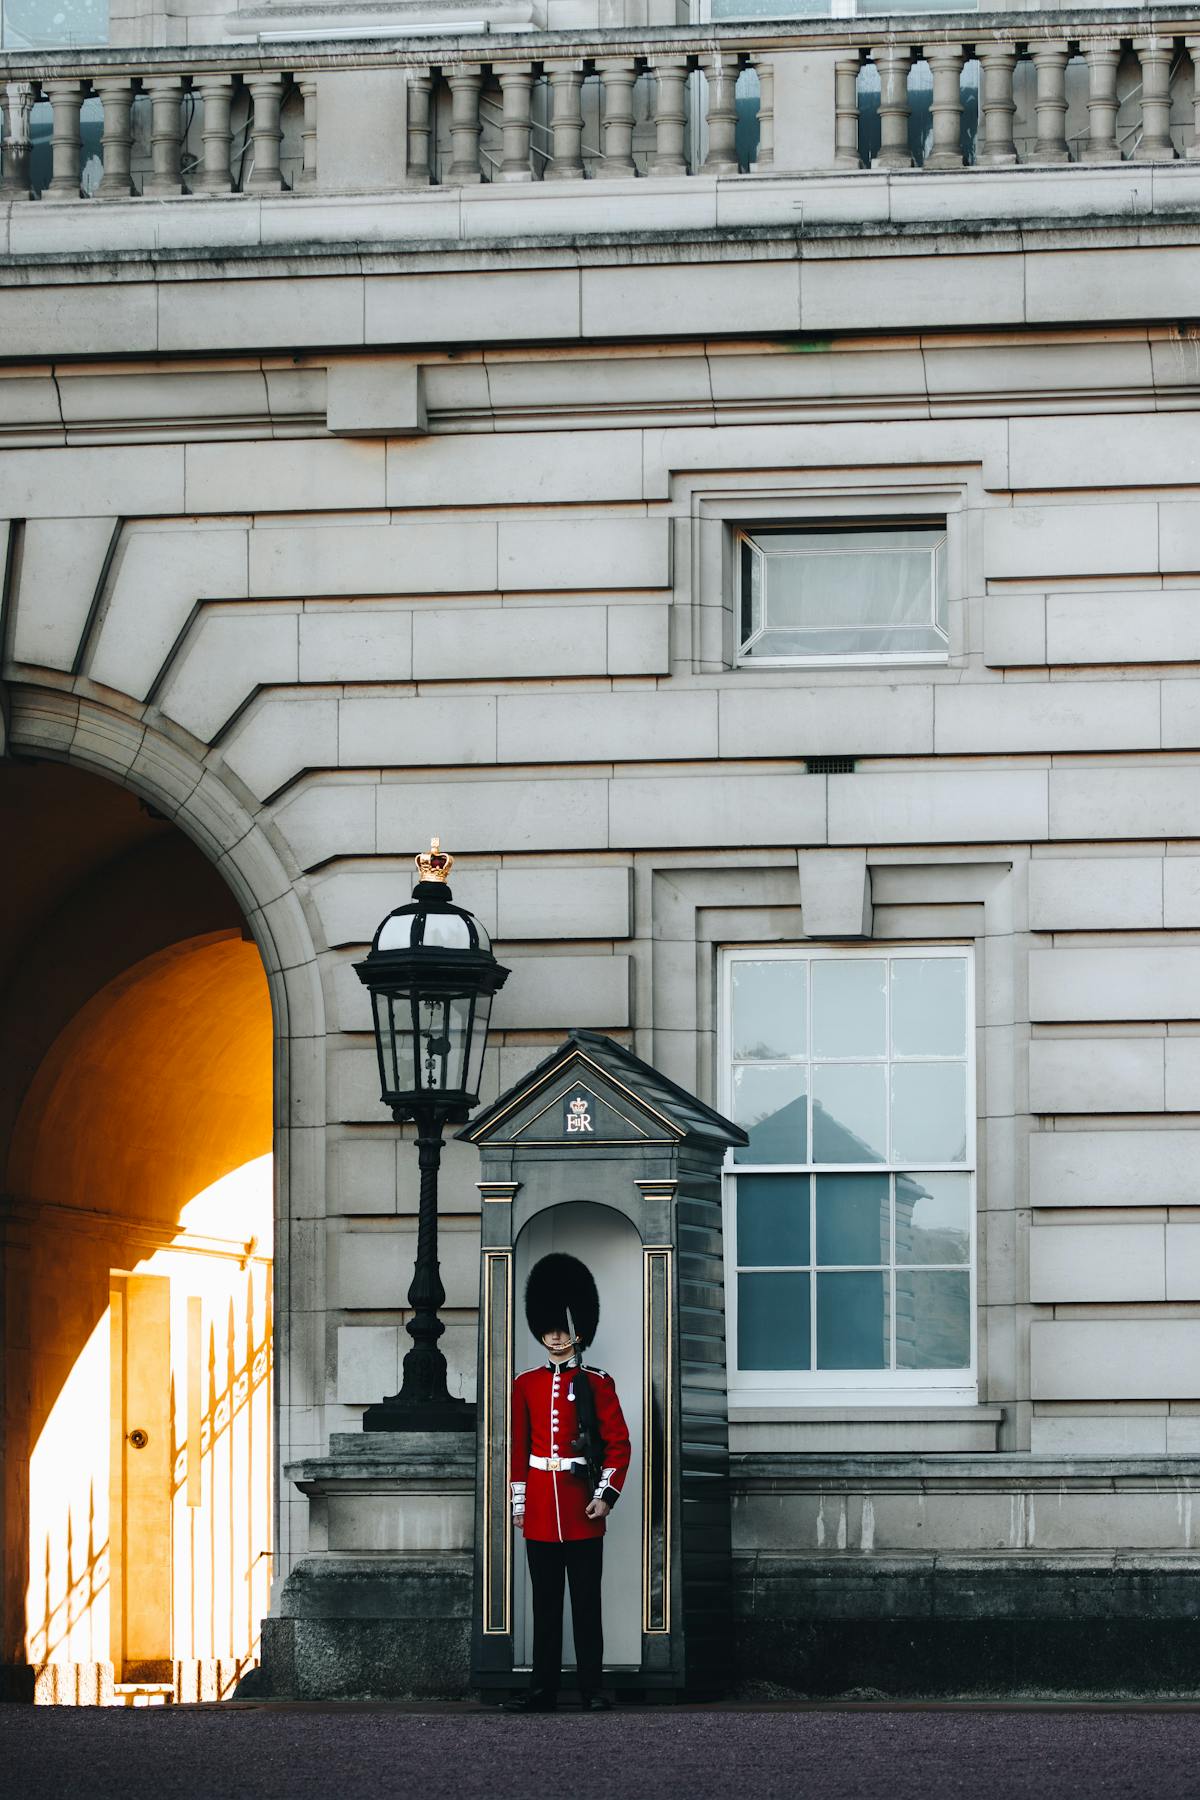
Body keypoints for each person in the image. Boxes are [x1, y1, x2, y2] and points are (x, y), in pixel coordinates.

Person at [502, 1251, 631, 1713]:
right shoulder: (526, 1384)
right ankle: (543, 1691)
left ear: (579, 1329)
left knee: (585, 1606)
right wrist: (519, 1503)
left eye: (562, 1326)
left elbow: (618, 1445)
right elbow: (519, 1451)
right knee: (546, 1609)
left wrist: (605, 1497)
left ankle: (593, 1689)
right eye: (548, 1326)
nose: (554, 1335)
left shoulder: (597, 1383)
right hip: (540, 1506)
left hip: (581, 1508)